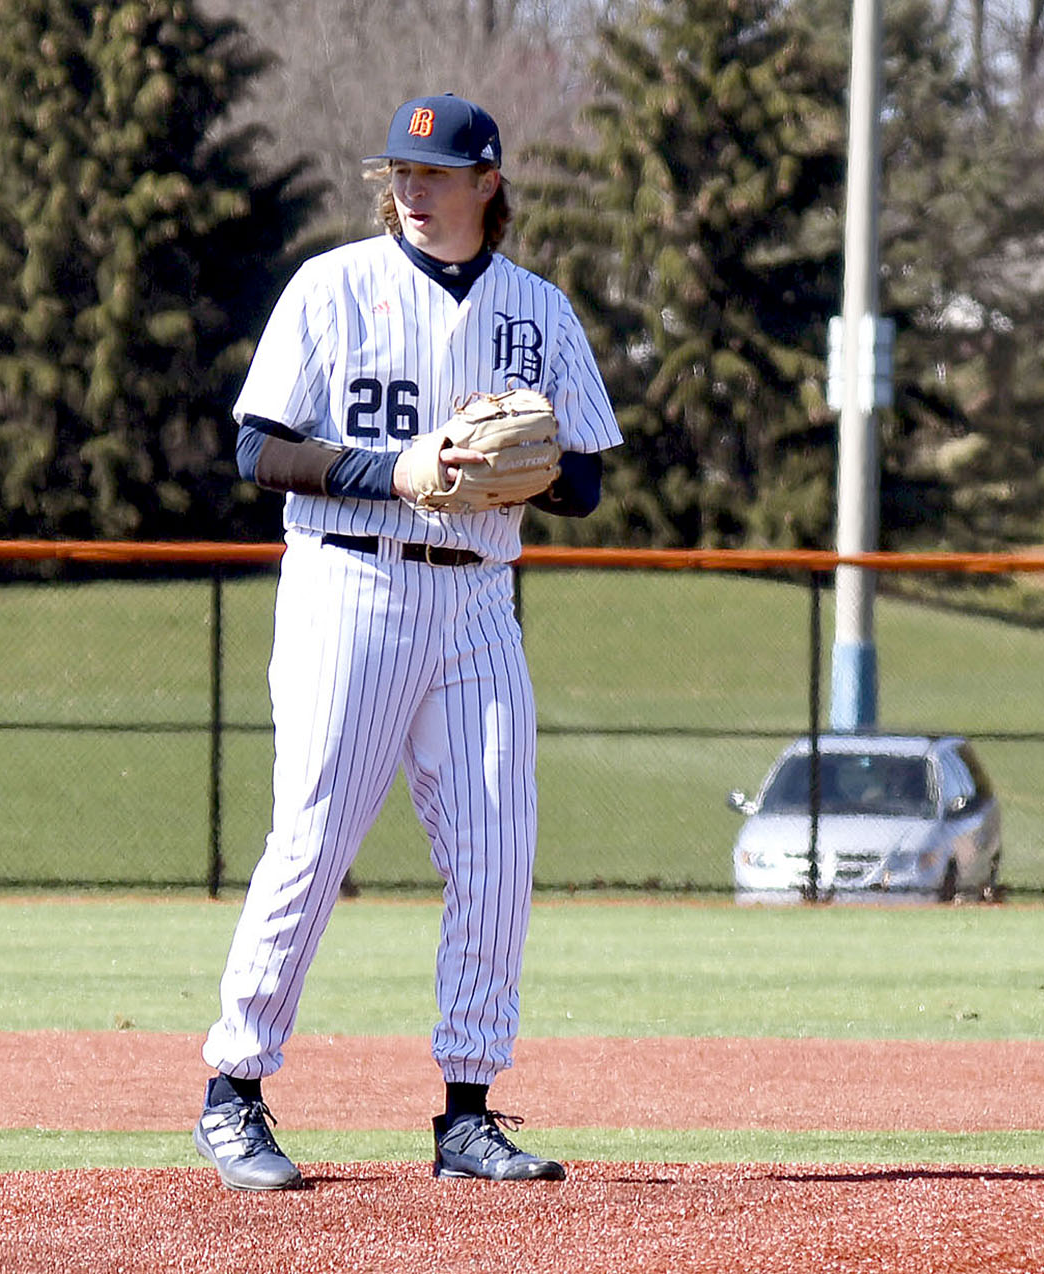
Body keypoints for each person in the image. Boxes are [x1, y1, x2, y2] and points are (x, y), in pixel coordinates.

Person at [192, 93, 623, 1191]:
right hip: (351, 581)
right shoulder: (332, 287)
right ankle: (232, 1089)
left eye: (435, 173)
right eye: (400, 173)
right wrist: (397, 470)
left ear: (486, 180)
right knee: (315, 836)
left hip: (478, 591)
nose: (412, 191)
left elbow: (584, 477)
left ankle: (466, 1111)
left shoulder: (537, 309)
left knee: (495, 848)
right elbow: (258, 449)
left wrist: (516, 467)